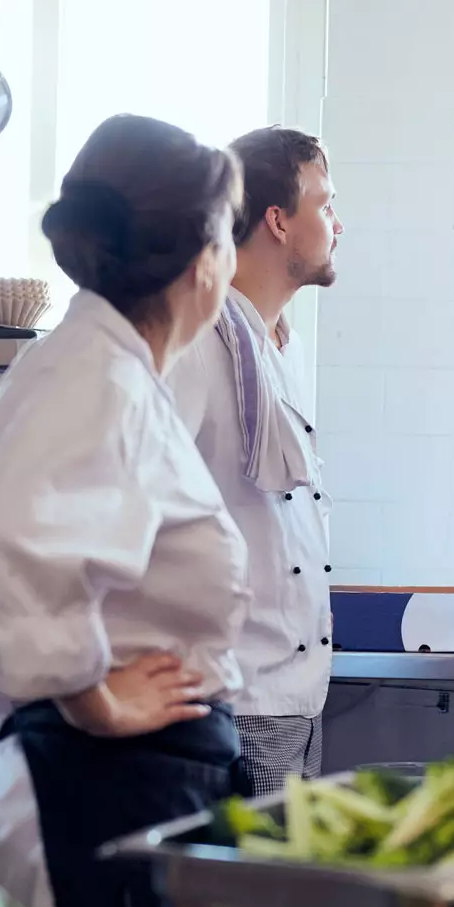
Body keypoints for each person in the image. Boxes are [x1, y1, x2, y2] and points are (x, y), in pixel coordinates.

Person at [0, 114, 248, 907]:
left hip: (134, 787)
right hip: (94, 785)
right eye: (229, 234)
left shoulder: (107, 367)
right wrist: (92, 699)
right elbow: (8, 547)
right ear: (203, 260)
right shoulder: (91, 378)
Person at [167, 126, 340, 796]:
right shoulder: (194, 341)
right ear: (277, 220)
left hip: (296, 696)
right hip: (230, 698)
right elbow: (140, 506)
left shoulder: (281, 346)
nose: (336, 223)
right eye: (324, 205)